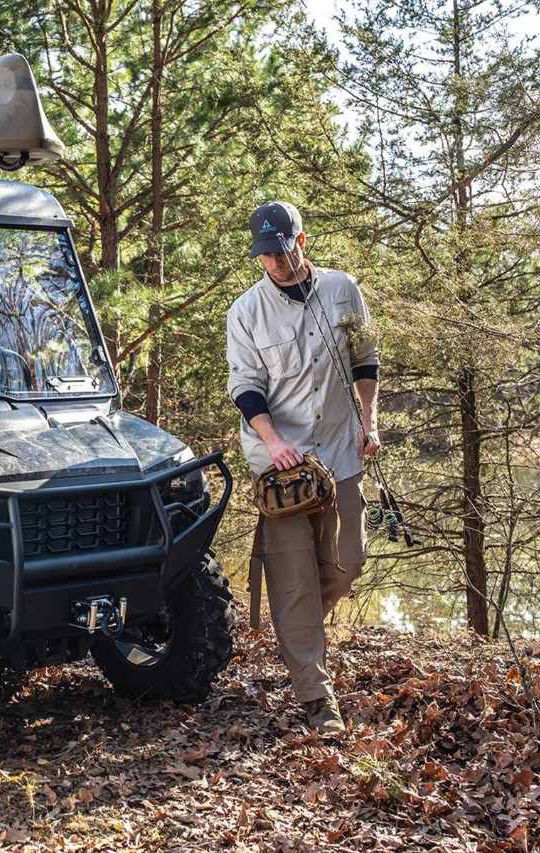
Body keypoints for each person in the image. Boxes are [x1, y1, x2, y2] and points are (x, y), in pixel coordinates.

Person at [226, 201, 381, 733]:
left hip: (340, 450)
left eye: (282, 249)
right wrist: (272, 442)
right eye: (265, 254)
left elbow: (365, 359)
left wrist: (369, 422)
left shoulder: (343, 290)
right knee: (292, 583)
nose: (275, 261)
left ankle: (300, 626)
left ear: (303, 241)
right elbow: (244, 385)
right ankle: (317, 699)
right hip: (281, 466)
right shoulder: (245, 312)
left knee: (348, 564)